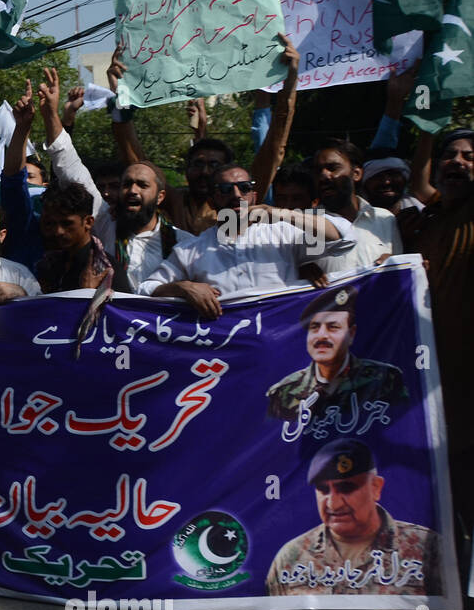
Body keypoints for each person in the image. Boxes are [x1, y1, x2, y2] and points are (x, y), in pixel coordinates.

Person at [111, 35, 302, 234]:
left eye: (214, 166)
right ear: (186, 170)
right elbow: (138, 163)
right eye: (198, 165)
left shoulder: (244, 197)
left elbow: (273, 149)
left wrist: (288, 86)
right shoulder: (176, 202)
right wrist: (121, 100)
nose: (204, 172)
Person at [137, 164, 355, 318]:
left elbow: (345, 237)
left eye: (244, 187)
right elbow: (146, 289)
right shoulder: (190, 250)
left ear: (254, 195)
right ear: (212, 201)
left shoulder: (284, 234)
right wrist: (183, 288)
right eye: (224, 189)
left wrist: (282, 214)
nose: (236, 195)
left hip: (283, 345)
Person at [31, 69, 183, 291]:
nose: (132, 190)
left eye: (142, 185)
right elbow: (67, 163)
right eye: (126, 183)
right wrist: (51, 115)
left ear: (160, 196)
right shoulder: (104, 222)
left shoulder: (184, 243)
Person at [400, 128, 474, 536]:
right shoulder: (427, 219)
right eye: (450, 155)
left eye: (469, 156)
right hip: (435, 382)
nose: (457, 162)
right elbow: (420, 184)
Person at [266, 438, 440, 596]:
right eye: (324, 490)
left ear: (376, 488)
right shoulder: (291, 557)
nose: (334, 504)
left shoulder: (427, 547)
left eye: (347, 488)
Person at [266, 286, 406, 422]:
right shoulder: (284, 392)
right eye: (314, 327)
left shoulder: (386, 378)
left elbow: (405, 424)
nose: (321, 336)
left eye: (333, 327)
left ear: (351, 334)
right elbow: (273, 439)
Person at [306, 139, 401, 278]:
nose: (323, 176)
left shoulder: (385, 219)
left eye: (332, 168)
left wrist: (393, 263)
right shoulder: (307, 223)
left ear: (356, 173)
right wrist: (304, 270)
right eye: (317, 171)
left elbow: (401, 274)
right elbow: (299, 274)